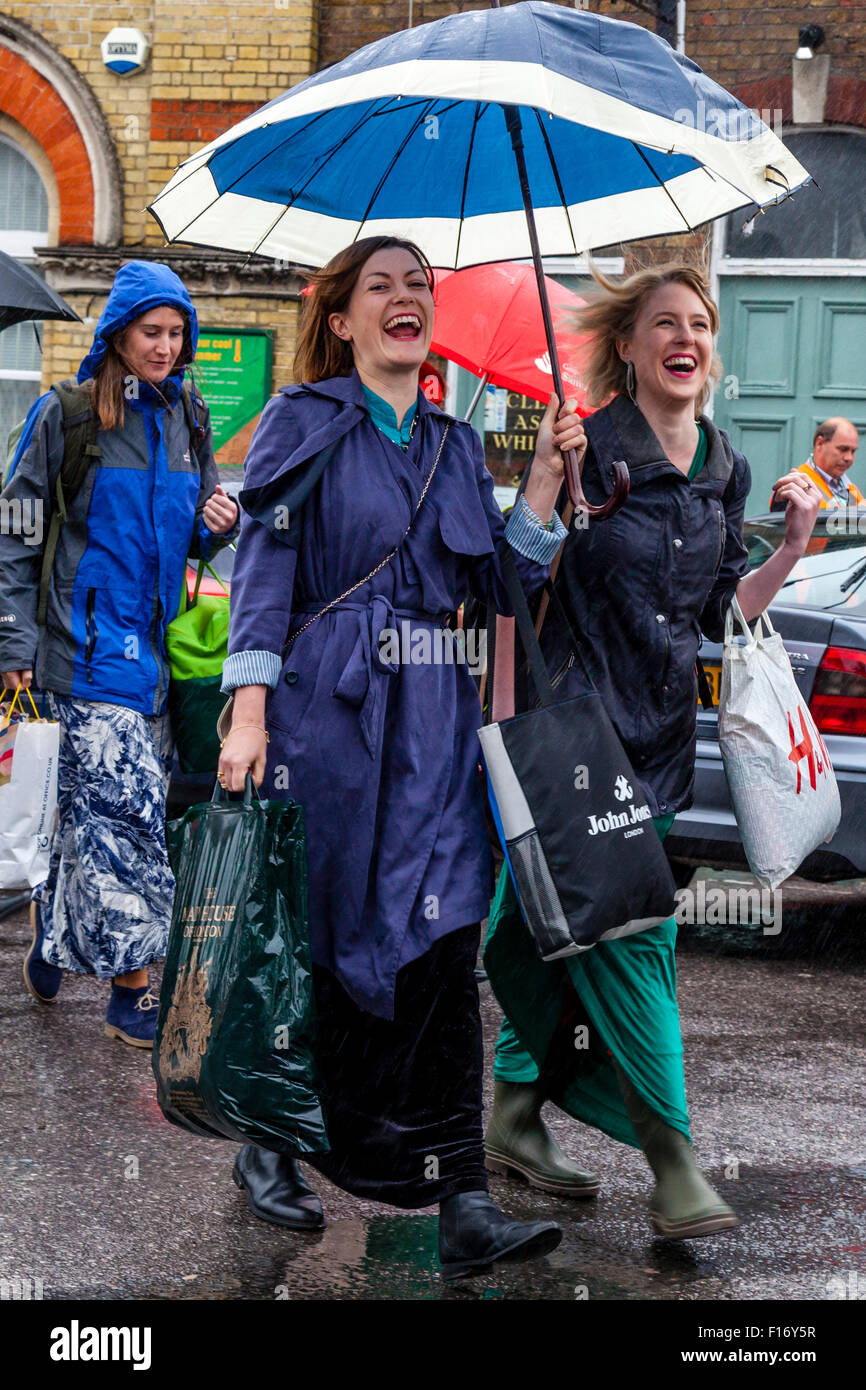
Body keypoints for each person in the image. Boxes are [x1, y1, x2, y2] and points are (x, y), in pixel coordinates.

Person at [218, 234, 580, 1280]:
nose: (403, 299)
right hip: (326, 718)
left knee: (442, 936)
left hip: (434, 722)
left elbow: (499, 579)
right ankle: (274, 1137)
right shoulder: (302, 423)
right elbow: (263, 569)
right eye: (380, 287)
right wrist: (248, 714)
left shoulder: (456, 446)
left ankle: (460, 1193)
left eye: (418, 287)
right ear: (340, 320)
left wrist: (545, 488)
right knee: (321, 933)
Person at [484, 262, 821, 1240]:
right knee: (636, 944)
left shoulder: (724, 465)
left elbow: (723, 609)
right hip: (579, 737)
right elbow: (509, 574)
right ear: (624, 349)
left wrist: (788, 548)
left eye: (700, 324)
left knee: (558, 935)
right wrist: (547, 478)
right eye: (662, 323)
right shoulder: (588, 449)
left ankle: (510, 1113)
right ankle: (673, 1165)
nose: (685, 337)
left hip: (662, 744)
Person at [0, 261, 238, 1047]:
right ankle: (133, 990)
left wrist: (219, 520)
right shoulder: (66, 415)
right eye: (152, 332)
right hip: (81, 650)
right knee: (132, 814)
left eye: (177, 333)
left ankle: (50, 933)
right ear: (119, 334)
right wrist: (14, 641)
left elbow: (192, 528)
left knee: (97, 815)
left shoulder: (189, 416)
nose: (166, 347)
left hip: (153, 658)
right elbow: (15, 531)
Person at [770, 418, 862, 510]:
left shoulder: (849, 487)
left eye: (853, 451)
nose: (849, 458)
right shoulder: (796, 485)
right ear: (820, 443)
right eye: (843, 449)